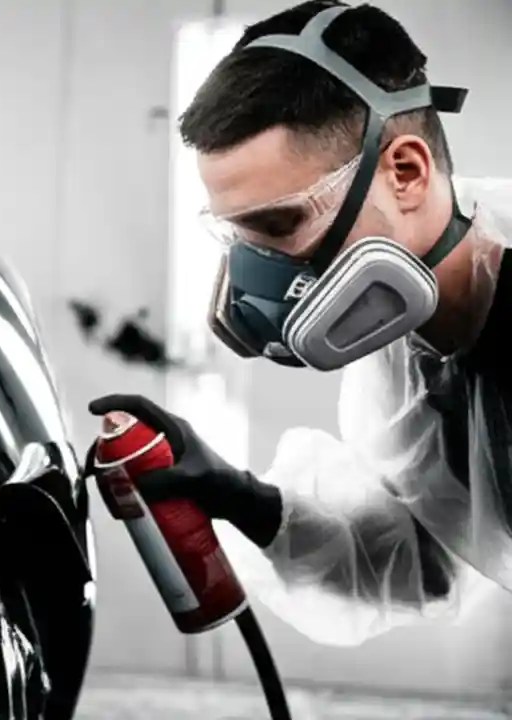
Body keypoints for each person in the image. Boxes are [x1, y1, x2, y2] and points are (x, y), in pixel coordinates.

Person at [88, 0, 512, 646]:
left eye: (280, 223)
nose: (255, 273)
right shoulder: (412, 351)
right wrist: (244, 497)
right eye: (237, 235)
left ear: (405, 174)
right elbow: (431, 557)